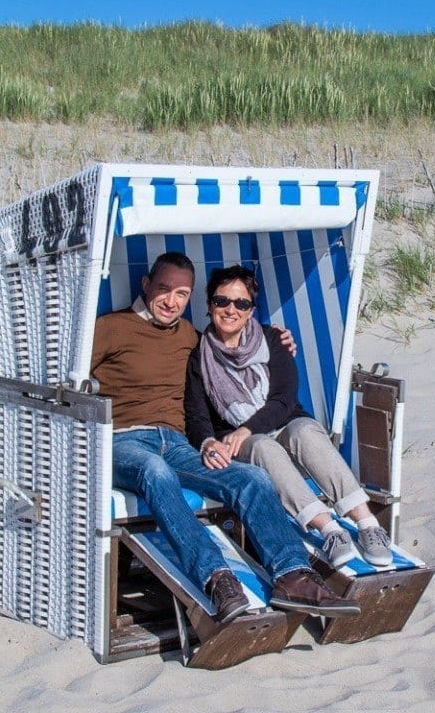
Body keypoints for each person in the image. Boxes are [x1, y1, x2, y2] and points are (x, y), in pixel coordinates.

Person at [90, 252, 360, 625]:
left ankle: (292, 575)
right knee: (155, 471)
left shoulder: (190, 337)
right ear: (146, 285)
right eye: (164, 289)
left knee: (252, 478)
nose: (171, 301)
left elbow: (232, 344)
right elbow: (61, 378)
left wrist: (278, 338)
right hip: (125, 441)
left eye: (182, 294)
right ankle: (217, 578)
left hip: (177, 443)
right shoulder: (109, 327)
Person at [185, 264, 394, 569]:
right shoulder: (199, 355)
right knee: (263, 446)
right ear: (209, 305)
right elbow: (196, 414)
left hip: (283, 425)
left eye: (241, 303)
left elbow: (284, 400)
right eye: (222, 301)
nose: (231, 310)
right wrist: (207, 442)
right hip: (244, 444)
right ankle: (330, 530)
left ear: (251, 310)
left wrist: (247, 427)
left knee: (305, 432)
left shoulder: (272, 340)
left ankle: (368, 524)